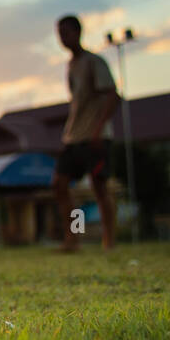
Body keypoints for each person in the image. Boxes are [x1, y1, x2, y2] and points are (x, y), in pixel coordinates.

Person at [52, 15, 119, 251]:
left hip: (95, 135)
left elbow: (112, 95)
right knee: (59, 184)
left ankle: (108, 240)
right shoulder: (71, 65)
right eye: (59, 33)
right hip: (74, 136)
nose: (62, 37)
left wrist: (99, 130)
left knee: (99, 186)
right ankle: (72, 239)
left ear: (78, 32)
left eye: (66, 32)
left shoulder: (94, 62)